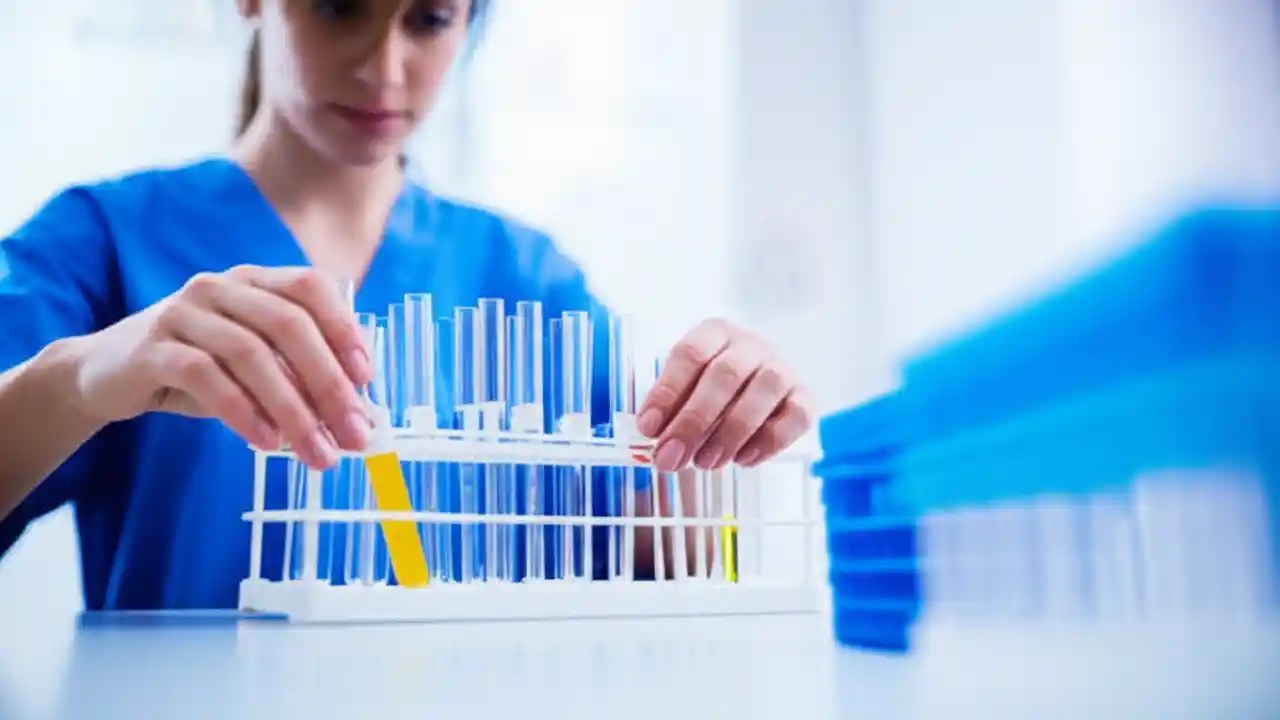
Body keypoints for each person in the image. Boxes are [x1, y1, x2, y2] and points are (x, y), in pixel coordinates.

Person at [0, 0, 813, 609]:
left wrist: (724, 422)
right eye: (338, 7)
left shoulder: (528, 277)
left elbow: (670, 548)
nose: (383, 68)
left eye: (429, 19)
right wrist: (77, 379)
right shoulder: (102, 241)